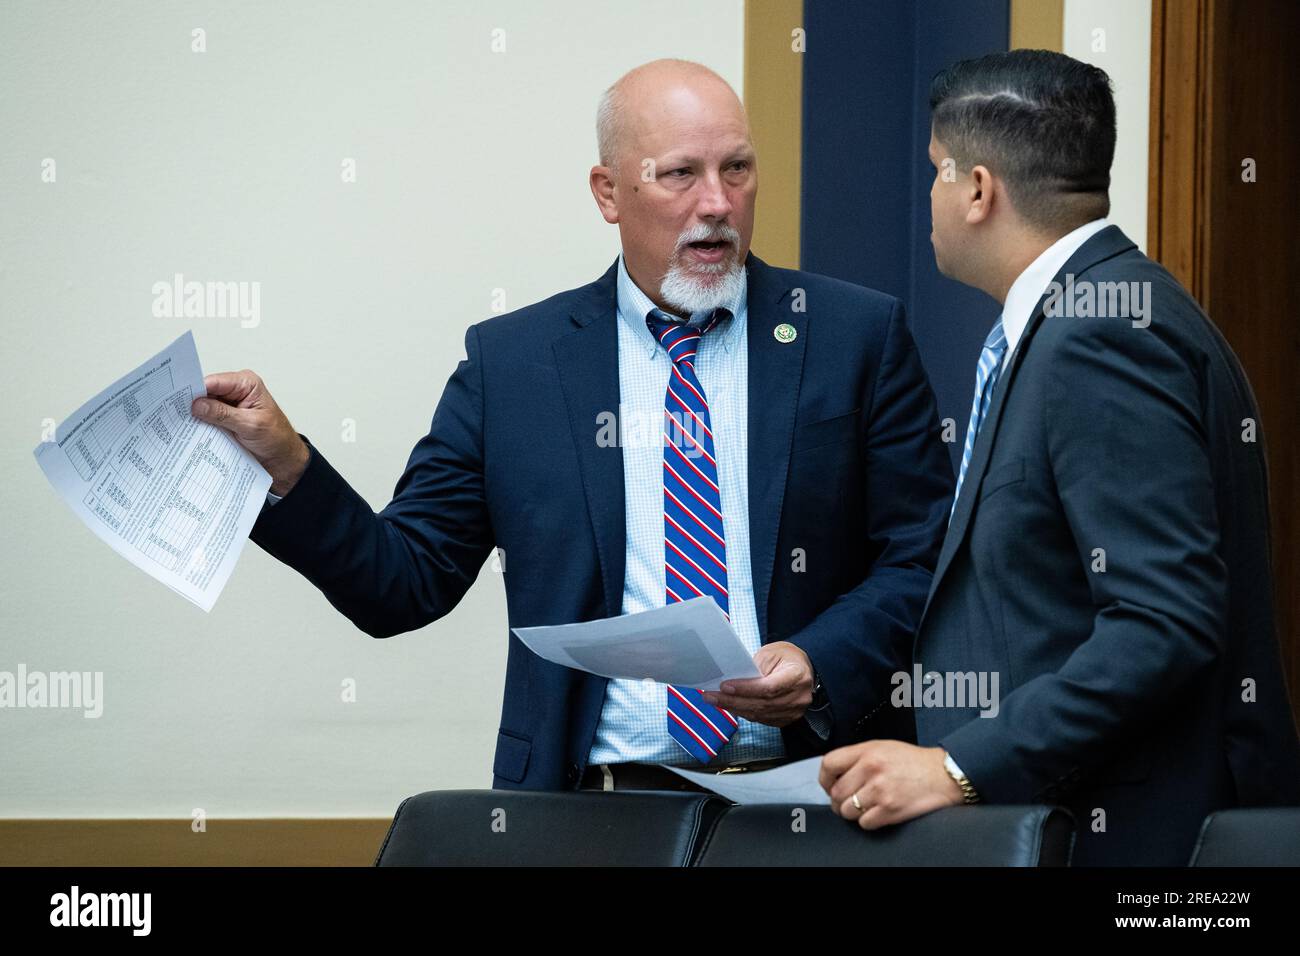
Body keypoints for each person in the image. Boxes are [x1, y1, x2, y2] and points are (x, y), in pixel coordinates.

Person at [191, 59, 954, 793]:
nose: (717, 203)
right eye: (680, 173)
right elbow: (401, 584)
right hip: (593, 812)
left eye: (737, 169)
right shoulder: (514, 366)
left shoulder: (855, 336)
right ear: (608, 191)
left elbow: (921, 560)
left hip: (814, 803)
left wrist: (819, 661)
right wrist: (287, 468)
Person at [818, 49, 1300, 866]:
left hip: (1130, 843)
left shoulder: (1100, 336)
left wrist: (958, 766)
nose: (928, 199)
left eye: (935, 174)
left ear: (977, 190)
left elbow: (1163, 622)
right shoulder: (1101, 308)